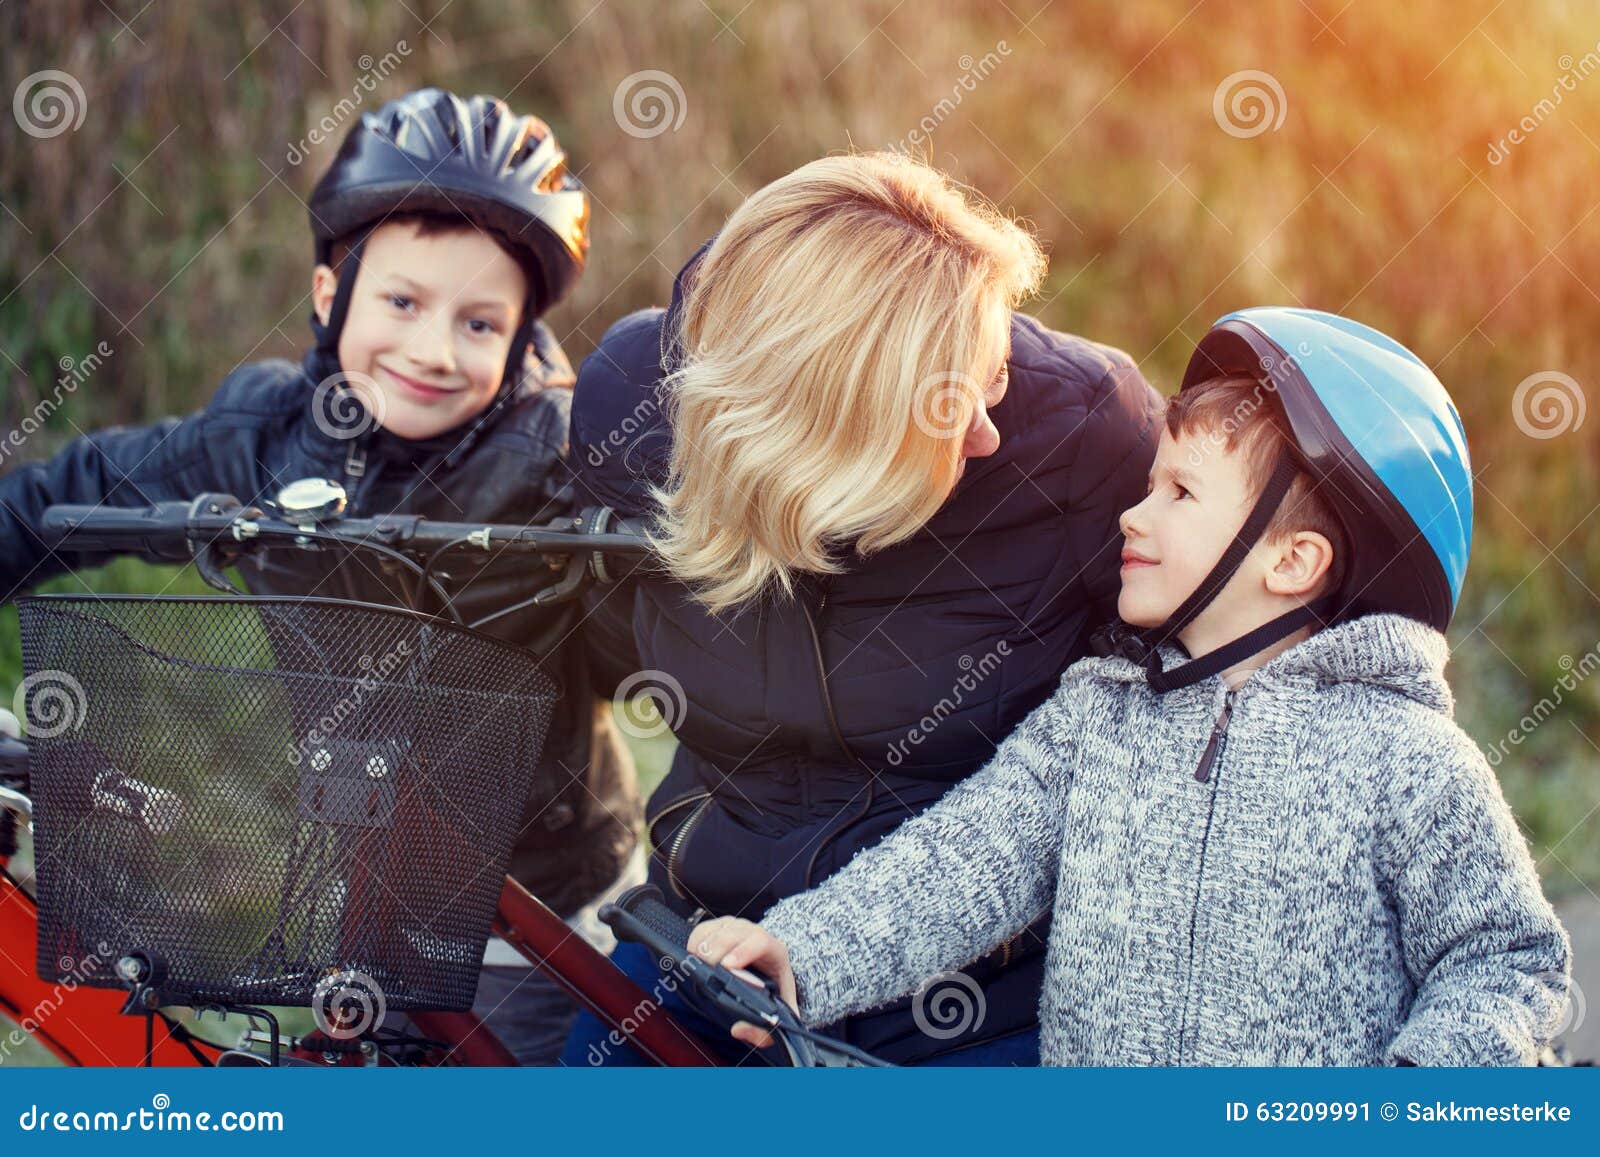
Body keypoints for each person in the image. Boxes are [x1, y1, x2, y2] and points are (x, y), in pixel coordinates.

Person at [687, 308, 1573, 1066]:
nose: (1132, 513)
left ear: (1294, 559)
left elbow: (1506, 961)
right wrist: (801, 948)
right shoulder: (1097, 718)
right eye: (1149, 482)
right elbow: (961, 862)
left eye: (1179, 492)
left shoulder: (1407, 759)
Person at [0, 88, 642, 1064]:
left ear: (520, 334)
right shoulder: (265, 436)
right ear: (326, 296)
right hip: (356, 869)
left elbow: (676, 611)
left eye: (480, 323)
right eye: (401, 302)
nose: (432, 350)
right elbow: (65, 499)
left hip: (544, 889)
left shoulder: (562, 458)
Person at [562, 152, 1162, 1065]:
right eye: (952, 404)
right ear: (816, 422)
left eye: (992, 374)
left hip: (972, 988)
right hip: (702, 942)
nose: (988, 431)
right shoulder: (635, 416)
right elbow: (589, 628)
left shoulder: (1084, 437)